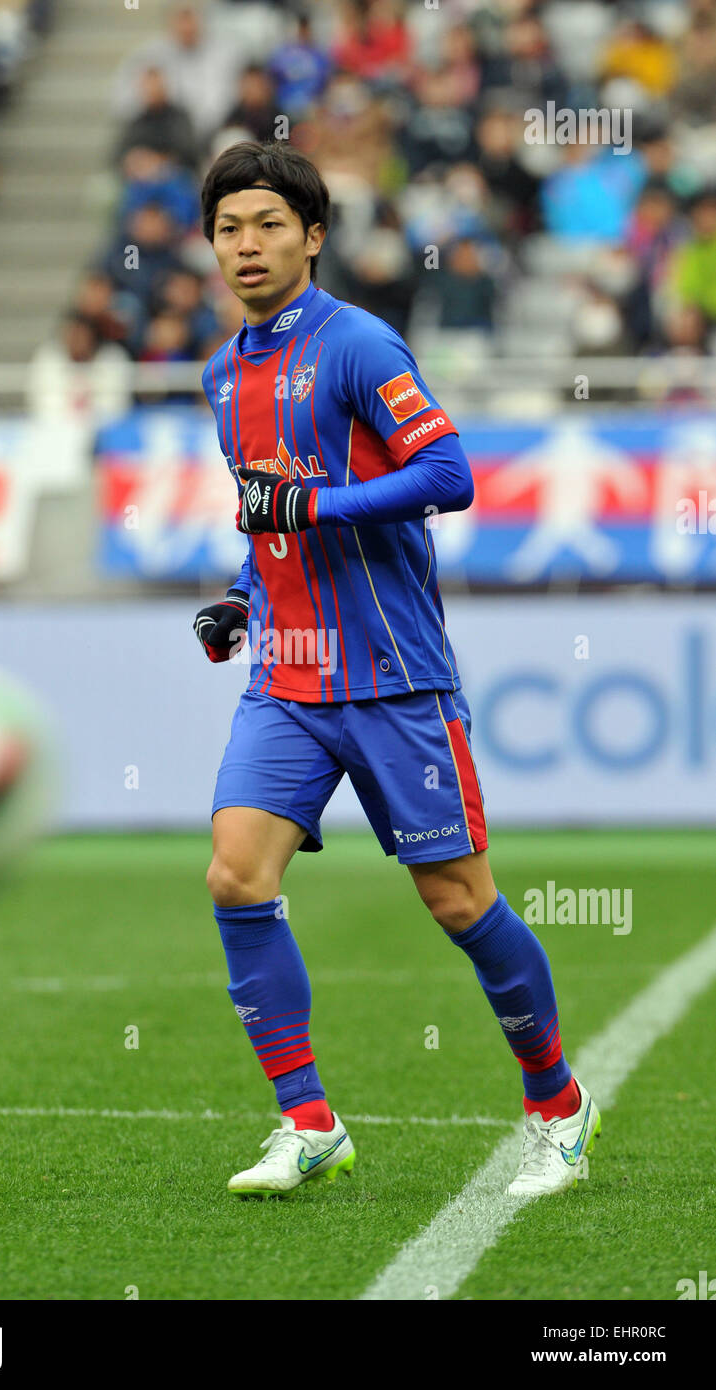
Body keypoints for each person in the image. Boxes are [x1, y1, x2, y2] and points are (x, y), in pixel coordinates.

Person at [192, 139, 601, 1200]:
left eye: (268, 224)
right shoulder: (222, 373)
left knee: (459, 902)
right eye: (229, 228)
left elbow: (449, 473)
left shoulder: (360, 344)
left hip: (393, 674)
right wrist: (241, 593)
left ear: (313, 237)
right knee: (236, 875)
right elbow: (267, 514)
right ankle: (307, 1121)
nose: (246, 244)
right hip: (287, 676)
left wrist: (314, 506)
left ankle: (557, 1104)